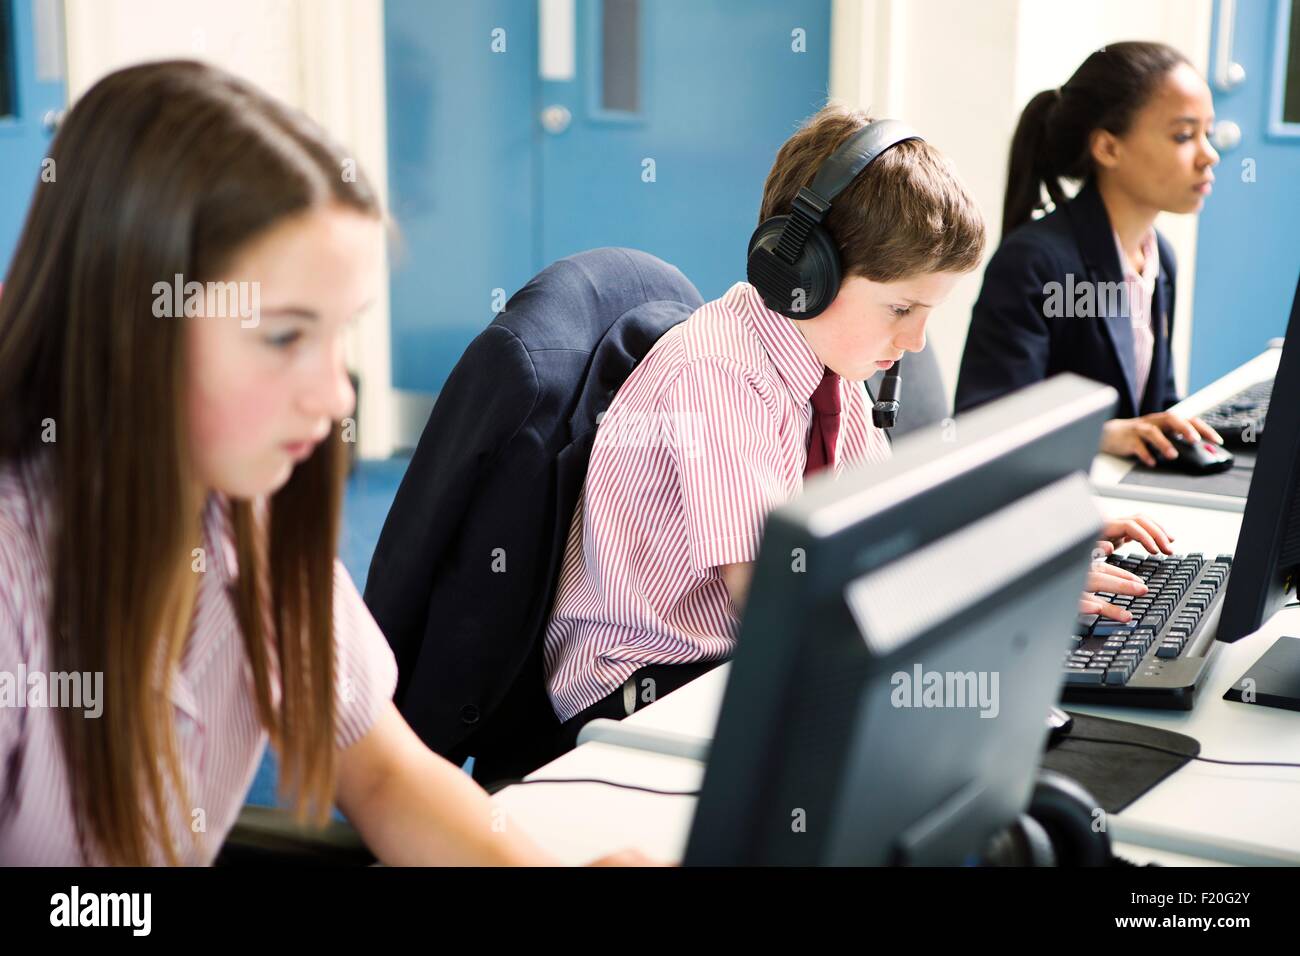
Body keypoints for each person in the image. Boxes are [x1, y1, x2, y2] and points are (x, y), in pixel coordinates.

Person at [0, 60, 644, 866]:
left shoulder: (241, 523)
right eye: (283, 337)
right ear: (129, 326)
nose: (337, 396)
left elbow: (383, 776)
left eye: (340, 333)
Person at [542, 104, 1166, 750]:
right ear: (803, 274)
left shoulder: (829, 365)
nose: (918, 341)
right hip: (646, 689)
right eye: (901, 307)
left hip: (745, 661)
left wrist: (1028, 544)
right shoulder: (716, 374)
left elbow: (876, 538)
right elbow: (778, 603)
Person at [956, 41, 1223, 467]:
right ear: (1108, 148)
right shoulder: (1034, 262)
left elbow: (1157, 400)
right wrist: (1102, 435)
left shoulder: (1159, 257)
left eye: (1207, 132)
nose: (1209, 154)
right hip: (1056, 503)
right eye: (1183, 135)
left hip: (1130, 495)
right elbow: (984, 422)